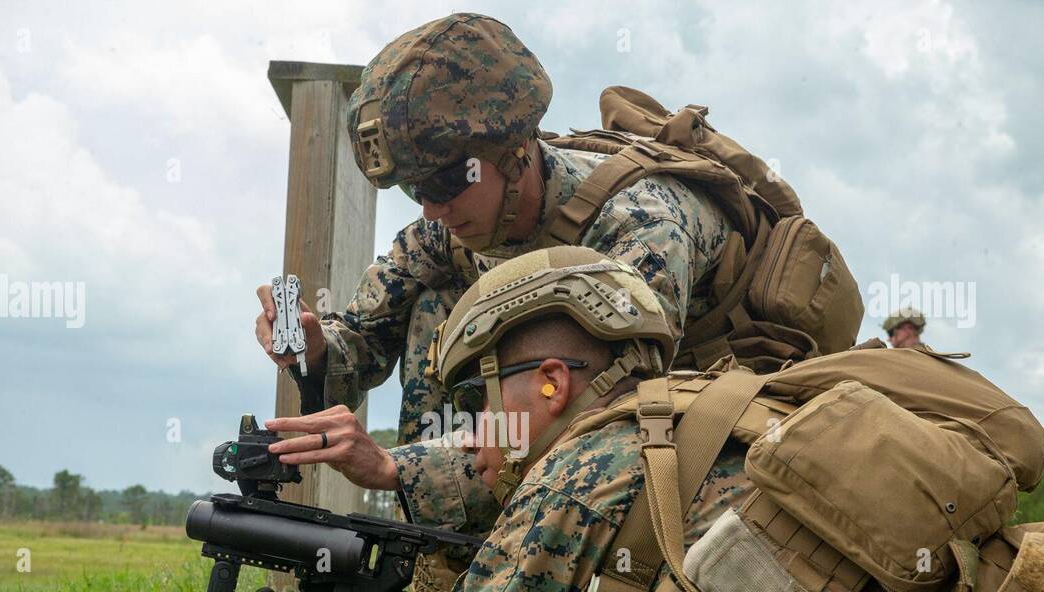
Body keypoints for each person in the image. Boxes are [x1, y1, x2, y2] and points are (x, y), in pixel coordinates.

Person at [185, 247, 753, 592]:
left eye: (475, 401)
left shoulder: (575, 477)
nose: (472, 432)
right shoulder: (676, 430)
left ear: (552, 382)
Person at [255, 12, 732, 550]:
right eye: (414, 190)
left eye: (444, 181)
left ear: (516, 153)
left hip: (687, 437)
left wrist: (395, 467)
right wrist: (318, 349)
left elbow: (600, 420)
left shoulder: (639, 227)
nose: (433, 208)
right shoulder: (450, 229)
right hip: (571, 435)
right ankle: (437, 551)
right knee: (435, 304)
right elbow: (363, 334)